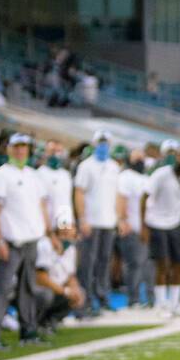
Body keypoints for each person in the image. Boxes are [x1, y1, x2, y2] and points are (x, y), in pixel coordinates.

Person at [0, 133, 50, 347]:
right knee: (1, 288)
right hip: (10, 241)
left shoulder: (32, 175)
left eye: (24, 147)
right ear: (9, 149)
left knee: (27, 288)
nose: (21, 151)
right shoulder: (1, 175)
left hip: (31, 239)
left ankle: (28, 331)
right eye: (17, 147)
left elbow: (40, 206)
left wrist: (48, 232)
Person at [142, 140, 180, 318]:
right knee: (162, 264)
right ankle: (160, 304)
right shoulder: (161, 174)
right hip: (157, 222)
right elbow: (145, 197)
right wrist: (144, 225)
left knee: (178, 263)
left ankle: (174, 304)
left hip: (175, 224)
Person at [73, 130, 120, 313]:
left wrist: (118, 217)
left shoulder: (114, 166)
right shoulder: (86, 166)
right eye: (100, 142)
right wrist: (82, 218)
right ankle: (85, 300)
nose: (103, 145)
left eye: (105, 142)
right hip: (91, 221)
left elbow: (116, 194)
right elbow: (79, 192)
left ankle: (102, 296)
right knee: (87, 263)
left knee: (104, 261)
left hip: (108, 221)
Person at [115, 147, 151, 308]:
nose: (140, 160)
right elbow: (121, 199)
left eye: (142, 157)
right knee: (134, 264)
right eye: (136, 157)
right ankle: (133, 298)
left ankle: (148, 298)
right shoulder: (125, 177)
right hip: (132, 227)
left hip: (147, 227)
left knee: (146, 264)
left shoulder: (145, 177)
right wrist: (123, 221)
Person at [35, 222, 84, 333]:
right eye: (65, 235)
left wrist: (74, 289)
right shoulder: (45, 246)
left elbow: (70, 275)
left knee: (80, 293)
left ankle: (50, 320)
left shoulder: (71, 250)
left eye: (71, 236)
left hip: (57, 289)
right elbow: (40, 278)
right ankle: (34, 321)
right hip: (38, 289)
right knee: (46, 295)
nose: (68, 239)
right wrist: (65, 291)